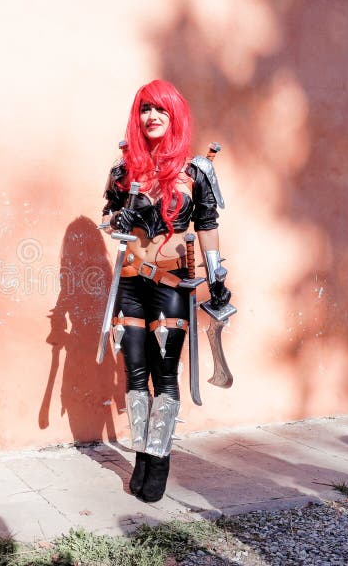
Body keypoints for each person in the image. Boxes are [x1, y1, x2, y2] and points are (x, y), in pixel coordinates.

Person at [100, 80, 231, 502]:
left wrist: (217, 281)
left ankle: (159, 460)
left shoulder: (196, 172)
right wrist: (123, 216)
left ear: (175, 115)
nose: (152, 117)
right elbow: (111, 221)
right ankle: (140, 454)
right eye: (145, 109)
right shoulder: (123, 171)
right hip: (132, 280)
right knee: (135, 373)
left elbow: (207, 227)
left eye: (161, 109)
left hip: (174, 281)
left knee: (165, 373)